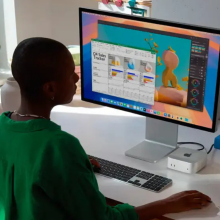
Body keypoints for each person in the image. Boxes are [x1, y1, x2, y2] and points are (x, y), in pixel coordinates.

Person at [0, 38, 212, 220]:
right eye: (70, 73)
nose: (77, 77)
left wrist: (72, 168)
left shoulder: (4, 125)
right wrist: (167, 204)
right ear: (50, 88)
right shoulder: (59, 146)